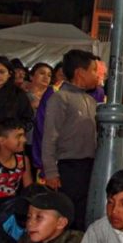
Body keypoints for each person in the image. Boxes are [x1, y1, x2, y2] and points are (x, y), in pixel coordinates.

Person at [40, 50, 100, 230]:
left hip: (88, 166)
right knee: (67, 216)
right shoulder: (60, 98)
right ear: (80, 73)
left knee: (83, 215)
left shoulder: (91, 100)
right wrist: (50, 171)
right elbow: (50, 136)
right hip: (68, 167)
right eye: (94, 71)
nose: (97, 76)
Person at [0, 118, 33, 204]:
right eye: (19, 136)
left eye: (23, 135)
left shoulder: (23, 160)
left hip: (12, 207)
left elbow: (29, 190)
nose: (24, 140)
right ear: (2, 140)